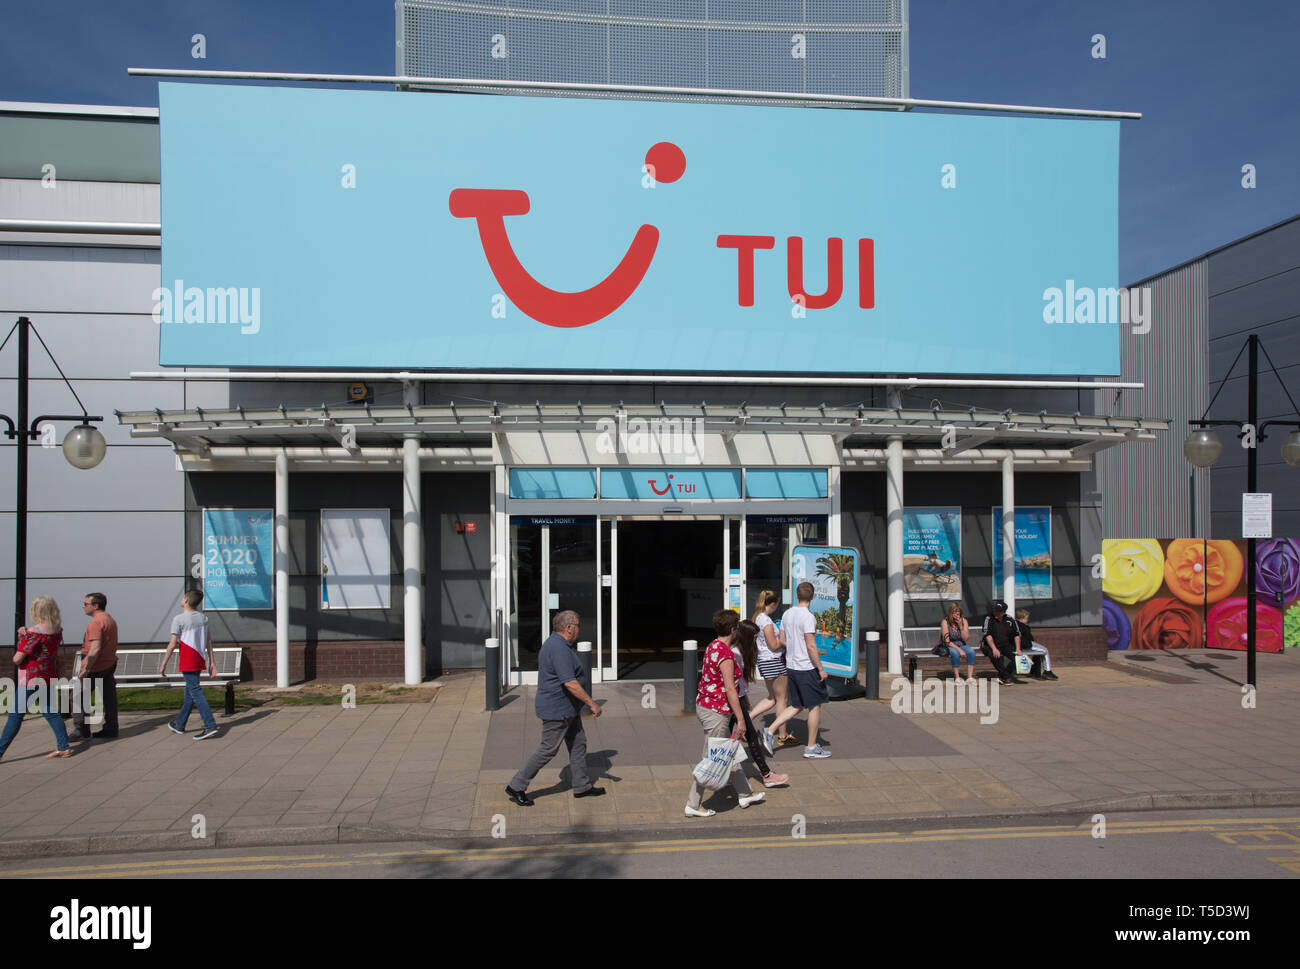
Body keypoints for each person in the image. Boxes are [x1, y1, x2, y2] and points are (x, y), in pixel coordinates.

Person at [506, 610, 604, 806]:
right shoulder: (558, 649)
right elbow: (569, 682)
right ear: (569, 628)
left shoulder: (559, 644)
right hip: (557, 709)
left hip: (568, 708)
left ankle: (581, 786)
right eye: (578, 626)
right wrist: (591, 703)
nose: (579, 630)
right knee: (548, 749)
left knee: (578, 744)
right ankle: (517, 785)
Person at [685, 609, 766, 818]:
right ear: (732, 629)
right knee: (711, 758)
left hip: (707, 706)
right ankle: (693, 804)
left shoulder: (713, 646)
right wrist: (740, 719)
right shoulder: (726, 655)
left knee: (728, 753)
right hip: (716, 712)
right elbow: (730, 689)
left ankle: (745, 793)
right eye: (737, 627)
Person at [761, 582, 830, 758]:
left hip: (791, 666)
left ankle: (770, 731)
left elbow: (782, 639)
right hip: (806, 667)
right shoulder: (808, 617)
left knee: (797, 705)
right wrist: (820, 669)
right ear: (812, 597)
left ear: (797, 596)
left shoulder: (787, 613)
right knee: (814, 706)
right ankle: (812, 747)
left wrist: (793, 647)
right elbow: (811, 646)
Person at [0, 595, 72, 760]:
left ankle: (0, 751)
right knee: (51, 712)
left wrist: (22, 638)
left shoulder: (33, 632)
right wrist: (22, 637)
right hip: (48, 675)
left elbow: (17, 658)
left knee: (15, 715)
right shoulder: (57, 630)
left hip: (31, 678)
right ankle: (63, 747)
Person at [728, 618, 789, 789]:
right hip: (733, 702)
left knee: (730, 739)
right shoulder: (736, 654)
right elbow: (731, 685)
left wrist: (745, 700)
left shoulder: (739, 651)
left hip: (738, 700)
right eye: (754, 637)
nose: (756, 641)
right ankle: (766, 775)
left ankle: (726, 774)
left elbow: (739, 683)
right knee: (750, 738)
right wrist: (740, 713)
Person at [159, 589, 220, 739]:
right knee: (190, 693)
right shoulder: (203, 618)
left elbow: (173, 644)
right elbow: (208, 641)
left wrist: (163, 663)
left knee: (195, 691)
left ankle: (210, 724)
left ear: (186, 599)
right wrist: (212, 661)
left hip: (188, 659)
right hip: (199, 658)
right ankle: (180, 724)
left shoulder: (179, 619)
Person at [748, 590, 796, 751]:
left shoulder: (758, 617)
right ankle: (782, 736)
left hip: (764, 661)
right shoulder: (767, 622)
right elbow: (774, 645)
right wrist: (785, 640)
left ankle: (747, 721)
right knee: (782, 699)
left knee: (772, 698)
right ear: (773, 604)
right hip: (774, 661)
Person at [74, 592, 119, 739]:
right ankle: (111, 727)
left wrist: (86, 668)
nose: (83, 606)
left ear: (95, 605)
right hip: (109, 663)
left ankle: (81, 729)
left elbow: (95, 648)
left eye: (86, 604)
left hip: (96, 666)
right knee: (108, 696)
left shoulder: (95, 622)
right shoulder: (109, 619)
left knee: (78, 696)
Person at [981, 599, 1024, 685]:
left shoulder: (1010, 619)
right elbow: (988, 635)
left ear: (1004, 612)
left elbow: (1017, 634)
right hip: (990, 645)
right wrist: (994, 649)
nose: (996, 613)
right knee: (995, 656)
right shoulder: (989, 619)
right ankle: (1006, 677)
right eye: (995, 610)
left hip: (1005, 644)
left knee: (1017, 658)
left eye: (998, 611)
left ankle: (1003, 675)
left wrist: (1018, 649)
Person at [1015, 608, 1059, 680]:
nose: (1027, 620)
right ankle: (1047, 671)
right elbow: (1028, 638)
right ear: (1021, 619)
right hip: (1026, 645)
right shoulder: (1022, 627)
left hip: (1025, 644)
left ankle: (1034, 671)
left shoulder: (1017, 625)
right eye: (1026, 618)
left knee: (1039, 651)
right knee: (1045, 651)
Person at [941, 602, 976, 682]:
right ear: (951, 614)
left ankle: (970, 677)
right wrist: (960, 650)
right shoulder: (945, 622)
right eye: (955, 614)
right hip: (950, 645)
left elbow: (965, 638)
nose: (958, 616)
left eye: (959, 614)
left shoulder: (964, 621)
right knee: (955, 653)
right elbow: (947, 641)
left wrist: (961, 626)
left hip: (961, 644)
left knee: (971, 652)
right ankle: (957, 677)